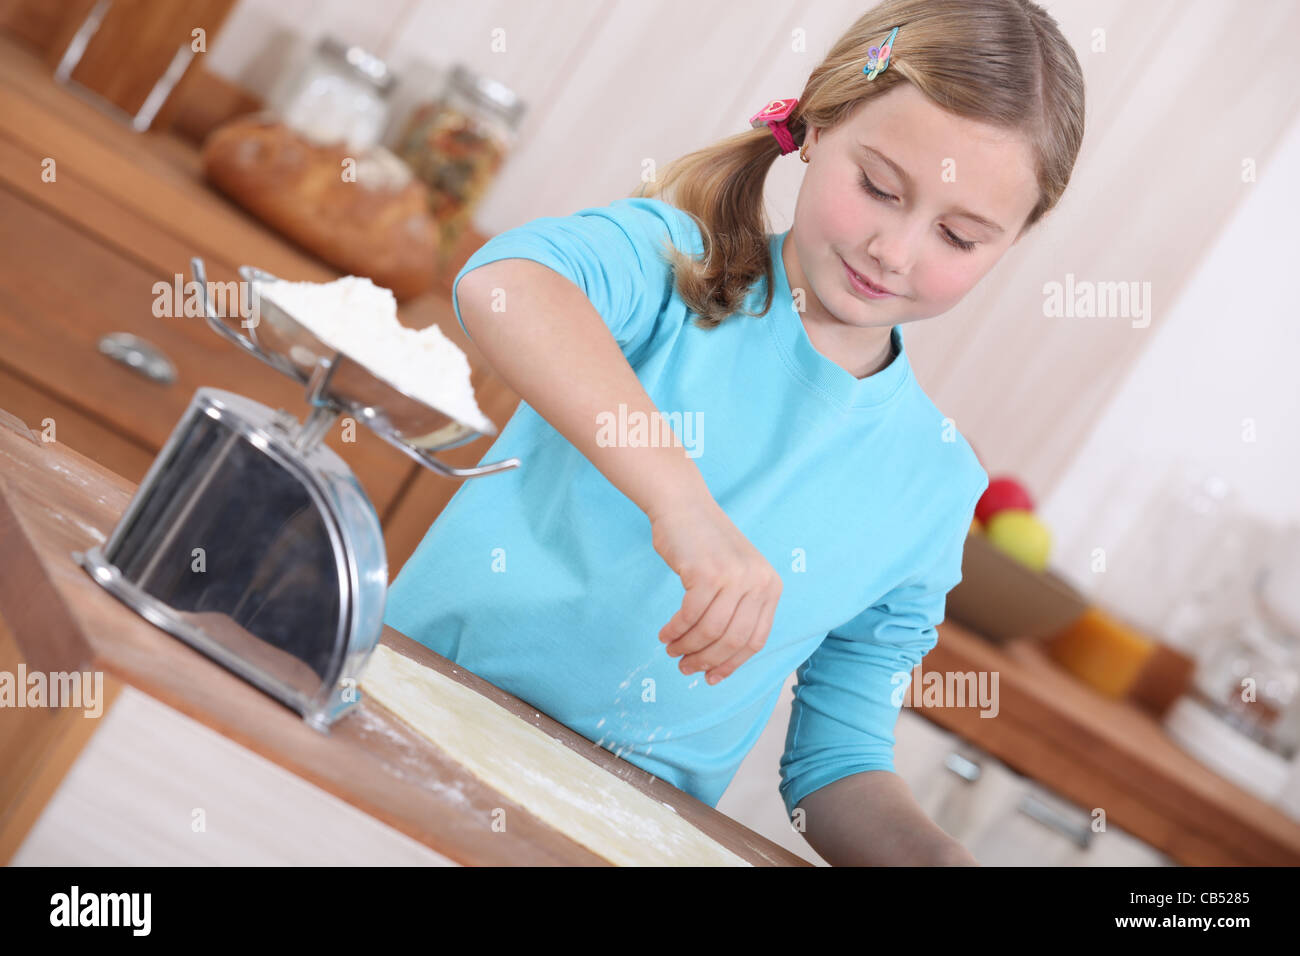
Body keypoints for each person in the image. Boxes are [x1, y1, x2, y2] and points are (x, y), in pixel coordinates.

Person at [384, 0, 1085, 866]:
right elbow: (505, 285)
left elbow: (837, 762)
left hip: (604, 843)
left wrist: (933, 860)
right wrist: (682, 504)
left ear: (1016, 238)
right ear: (819, 124)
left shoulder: (932, 486)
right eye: (878, 186)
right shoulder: (673, 263)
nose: (894, 251)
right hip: (395, 729)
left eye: (958, 235)